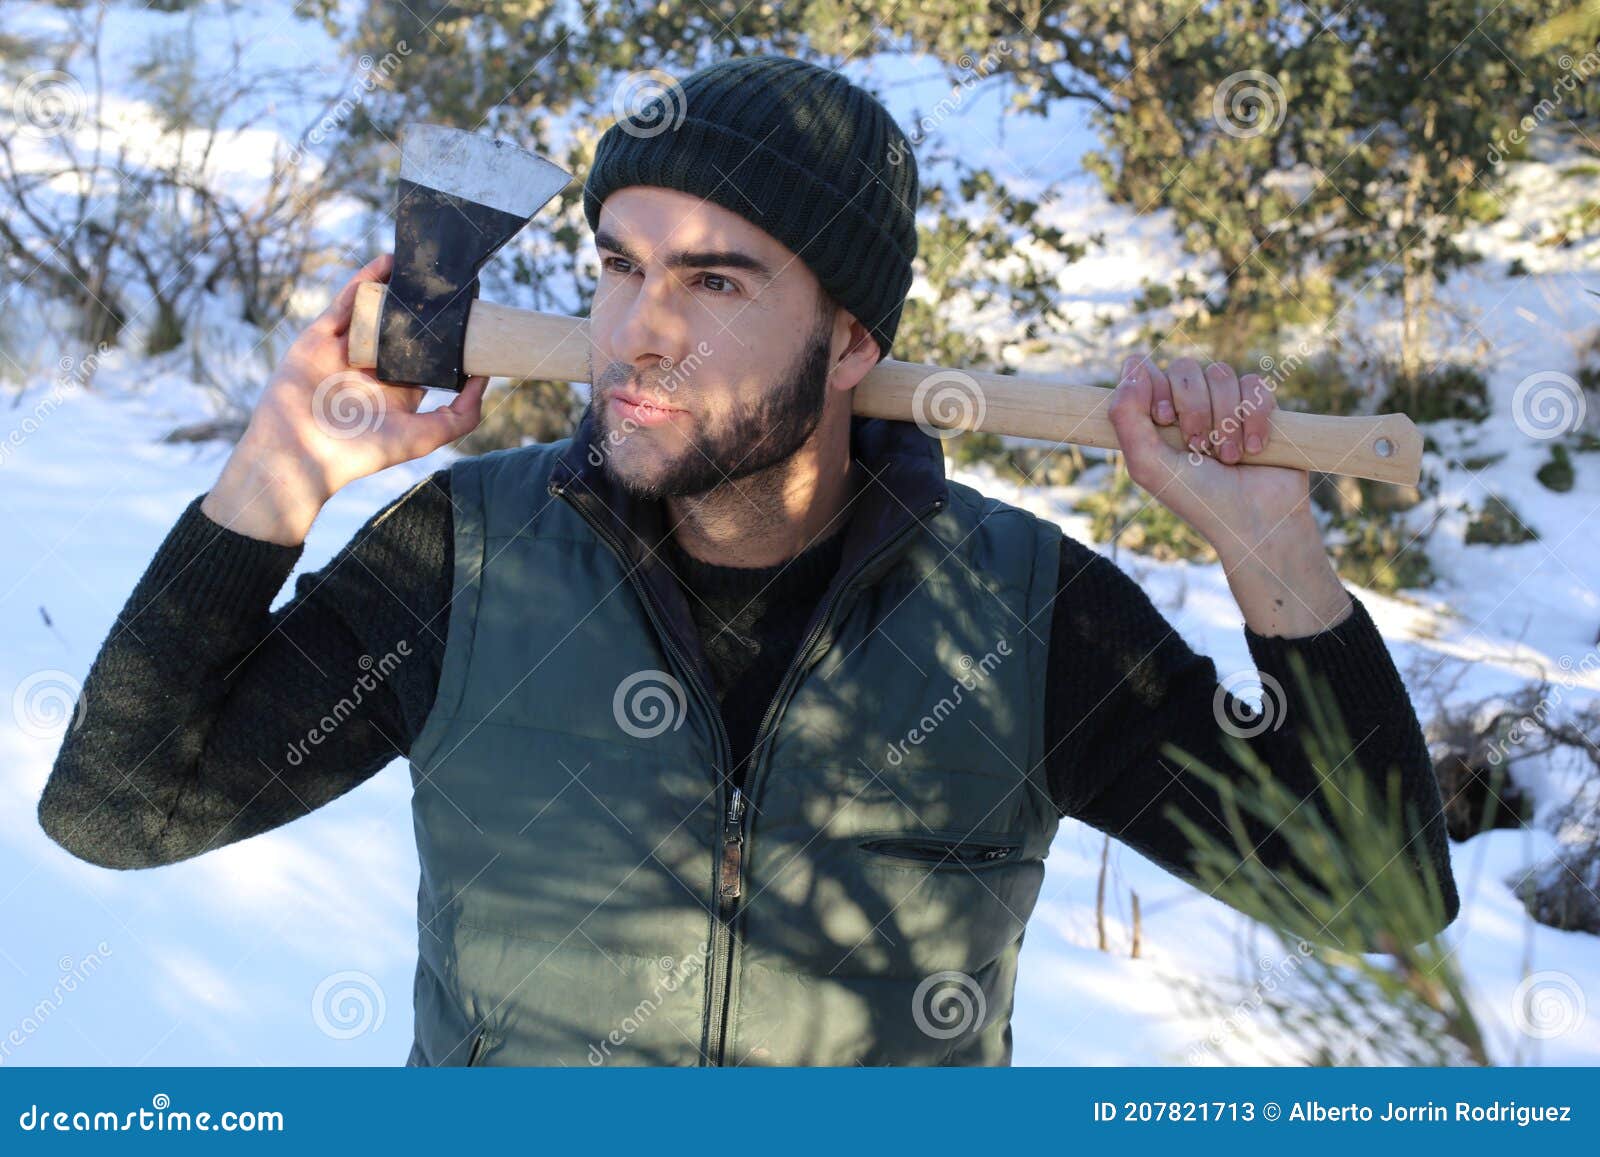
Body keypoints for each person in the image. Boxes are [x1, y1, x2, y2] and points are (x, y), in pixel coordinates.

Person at [37, 54, 1457, 1066]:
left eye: (714, 279)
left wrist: (1275, 552)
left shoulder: (1023, 611)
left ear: (850, 343)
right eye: (617, 264)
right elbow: (119, 811)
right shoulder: (465, 561)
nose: (636, 331)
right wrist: (272, 475)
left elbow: (1374, 896)